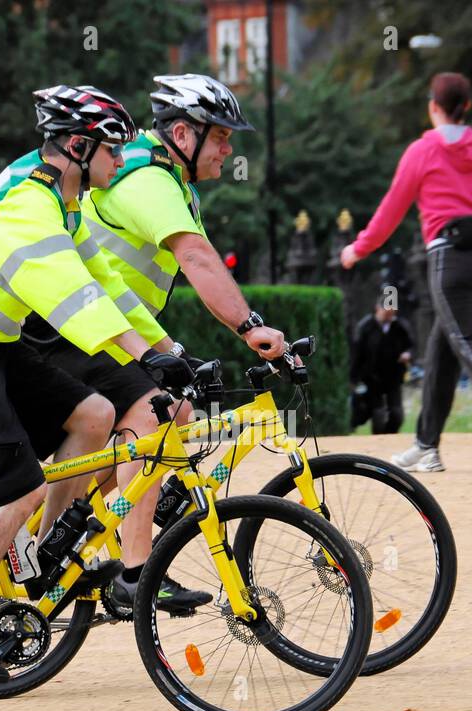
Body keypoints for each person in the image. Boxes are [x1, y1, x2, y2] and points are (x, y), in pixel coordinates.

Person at [0, 84, 194, 682]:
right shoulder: (29, 203)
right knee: (17, 489)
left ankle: (44, 553)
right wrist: (145, 359)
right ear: (79, 146)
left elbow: (105, 281)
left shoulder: (63, 197)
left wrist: (167, 351)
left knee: (95, 415)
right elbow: (71, 302)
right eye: (112, 150)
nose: (121, 159)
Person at [54, 73, 291, 616]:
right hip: (85, 329)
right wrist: (251, 326)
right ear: (183, 135)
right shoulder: (149, 183)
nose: (229, 150)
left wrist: (168, 345)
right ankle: (135, 575)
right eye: (222, 137)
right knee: (159, 418)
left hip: (109, 327)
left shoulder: (160, 175)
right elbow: (198, 259)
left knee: (174, 414)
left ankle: (96, 533)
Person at [341, 72, 472, 473]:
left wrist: (357, 248)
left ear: (433, 107)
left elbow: (389, 213)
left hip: (448, 259)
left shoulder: (422, 152)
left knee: (469, 344)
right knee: (443, 346)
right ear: (467, 107)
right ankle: (426, 445)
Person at [350, 289, 413, 434]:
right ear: (378, 308)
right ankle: (377, 440)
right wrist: (354, 378)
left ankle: (389, 437)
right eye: (387, 310)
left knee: (397, 414)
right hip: (371, 378)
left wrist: (407, 354)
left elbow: (411, 346)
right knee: (377, 414)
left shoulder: (400, 327)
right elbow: (356, 354)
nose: (390, 314)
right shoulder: (365, 327)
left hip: (393, 376)